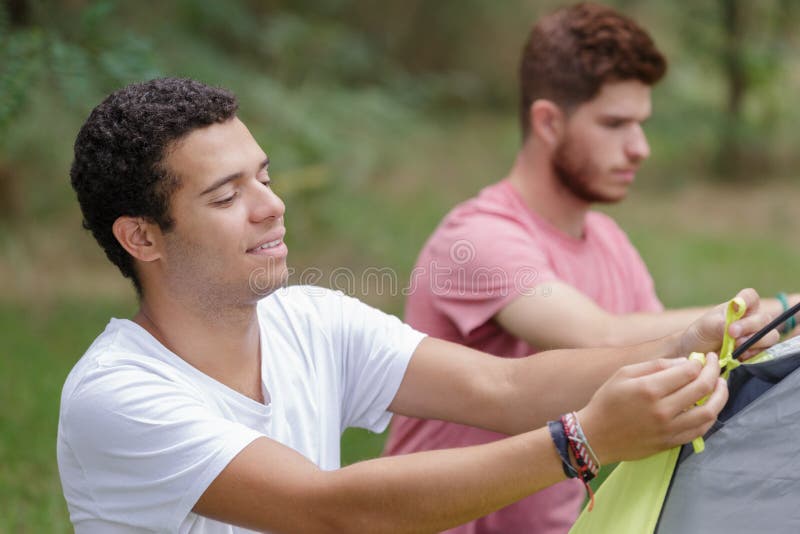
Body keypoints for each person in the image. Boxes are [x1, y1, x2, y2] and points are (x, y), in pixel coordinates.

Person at [57, 77, 775, 534]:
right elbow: (330, 512)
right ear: (141, 237)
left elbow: (503, 387)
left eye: (265, 177)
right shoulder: (117, 396)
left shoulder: (310, 319)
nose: (272, 207)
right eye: (227, 195)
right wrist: (582, 442)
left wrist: (688, 341)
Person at [384, 3, 798, 533]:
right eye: (615, 124)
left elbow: (665, 369)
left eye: (642, 124)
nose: (640, 148)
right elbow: (596, 337)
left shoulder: (609, 242)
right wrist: (782, 310)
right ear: (548, 122)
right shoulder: (476, 238)